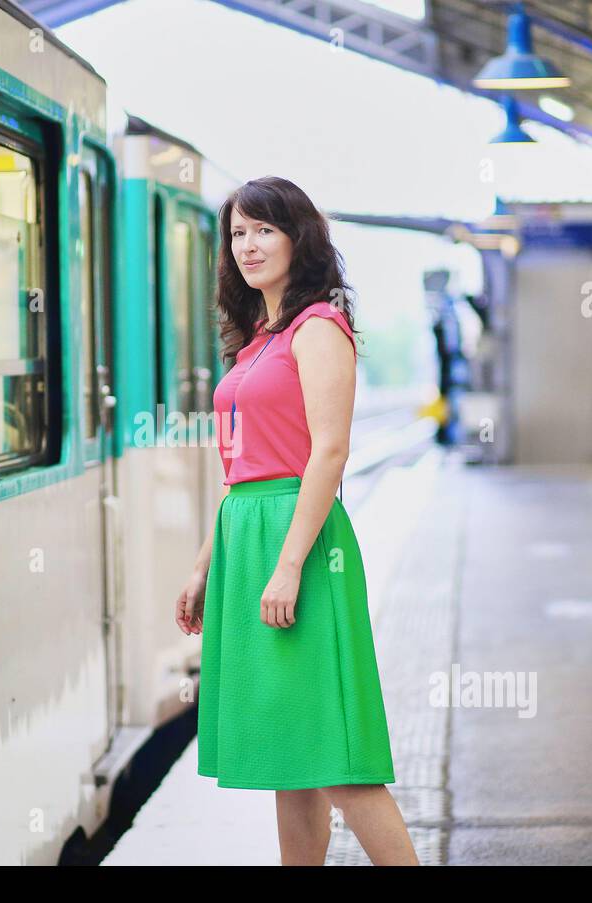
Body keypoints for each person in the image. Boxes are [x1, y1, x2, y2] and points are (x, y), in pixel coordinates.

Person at [173, 176, 419, 866]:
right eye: (238, 233)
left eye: (264, 230)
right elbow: (240, 473)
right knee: (292, 753)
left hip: (300, 548)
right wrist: (203, 568)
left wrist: (287, 564)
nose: (248, 245)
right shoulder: (257, 339)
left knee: (337, 755)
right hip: (248, 536)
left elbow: (330, 451)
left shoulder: (317, 329)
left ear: (298, 238)